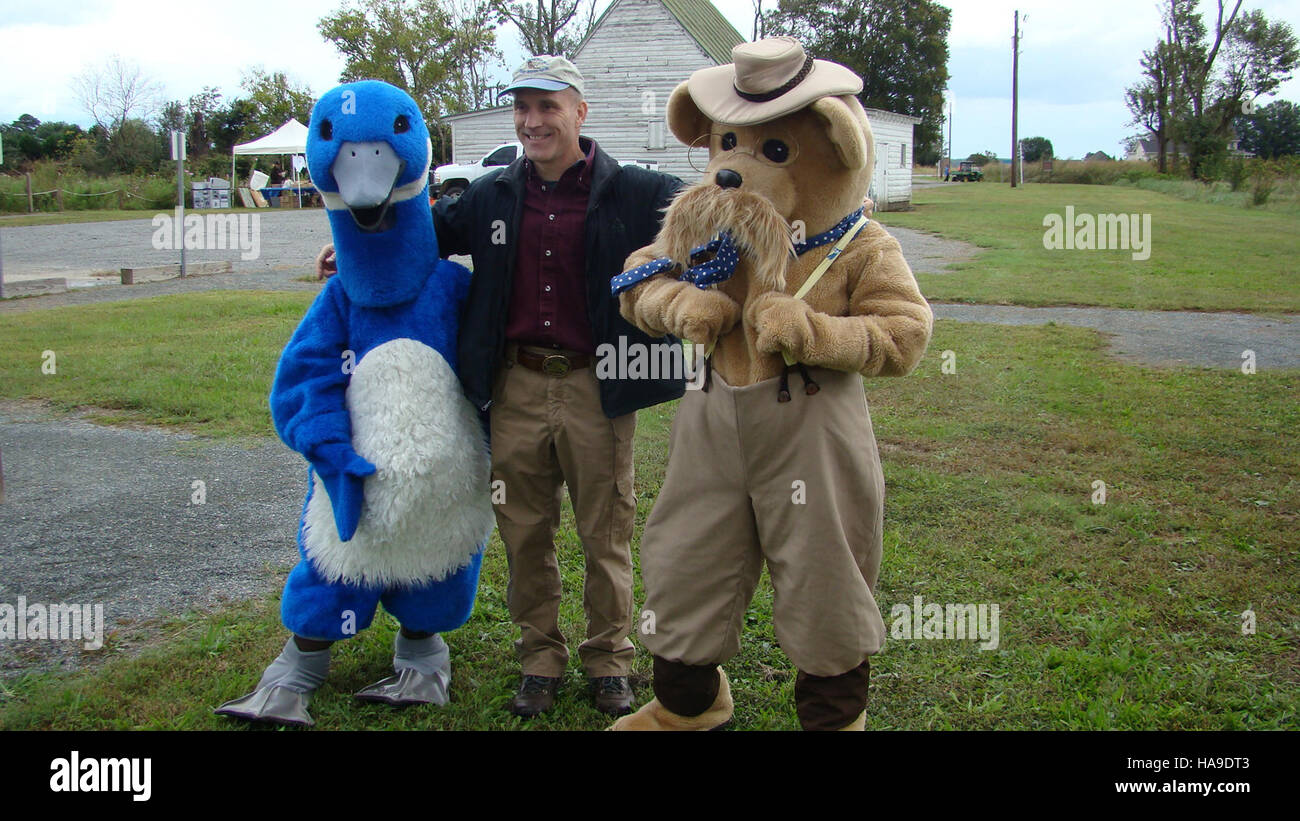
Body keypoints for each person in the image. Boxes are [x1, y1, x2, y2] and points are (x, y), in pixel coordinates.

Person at [317, 55, 685, 717]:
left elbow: (708, 215)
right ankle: (540, 659)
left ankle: (609, 661)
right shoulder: (488, 195)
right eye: (522, 106)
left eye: (548, 105)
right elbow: (417, 236)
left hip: (594, 389)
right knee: (525, 531)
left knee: (605, 534)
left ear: (580, 111)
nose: (532, 120)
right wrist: (350, 251)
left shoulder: (632, 190)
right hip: (514, 385)